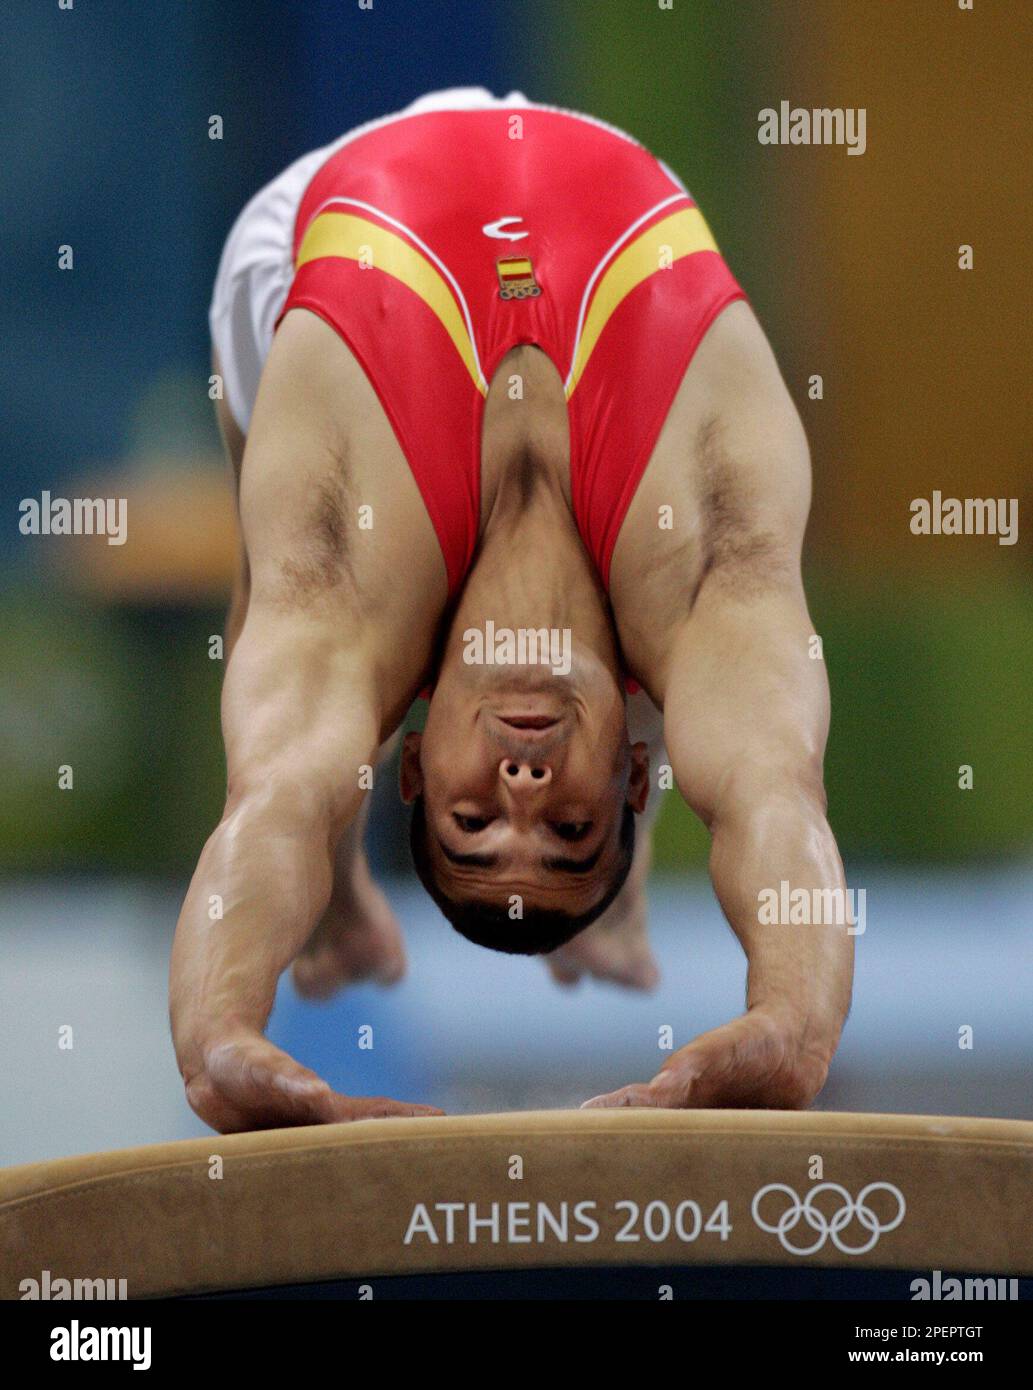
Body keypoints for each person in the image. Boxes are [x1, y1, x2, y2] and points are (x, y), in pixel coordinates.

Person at [171, 89, 853, 1133]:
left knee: (283, 690)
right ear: (633, 766)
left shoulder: (355, 576)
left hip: (318, 213)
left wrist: (217, 1031)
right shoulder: (703, 558)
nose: (523, 787)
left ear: (409, 766)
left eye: (472, 822)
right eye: (570, 827)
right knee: (748, 723)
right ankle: (383, 886)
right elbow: (776, 792)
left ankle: (338, 880)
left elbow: (269, 804)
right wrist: (795, 1022)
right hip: (608, 164)